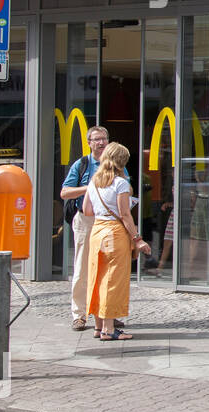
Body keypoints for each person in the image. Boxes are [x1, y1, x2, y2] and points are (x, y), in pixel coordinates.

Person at [60, 126, 129, 331]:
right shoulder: (82, 164)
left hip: (110, 221)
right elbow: (65, 192)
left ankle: (107, 314)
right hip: (86, 220)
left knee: (109, 271)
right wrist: (91, 187)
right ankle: (79, 315)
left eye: (104, 139)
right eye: (97, 139)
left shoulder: (117, 166)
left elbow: (127, 188)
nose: (101, 143)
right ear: (89, 142)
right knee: (82, 268)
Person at [81, 142, 150, 341]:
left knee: (97, 276)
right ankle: (109, 329)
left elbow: (87, 211)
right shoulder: (121, 183)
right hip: (114, 233)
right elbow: (125, 214)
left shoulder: (94, 181)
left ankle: (98, 326)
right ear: (123, 161)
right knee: (112, 279)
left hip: (97, 231)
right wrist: (137, 239)